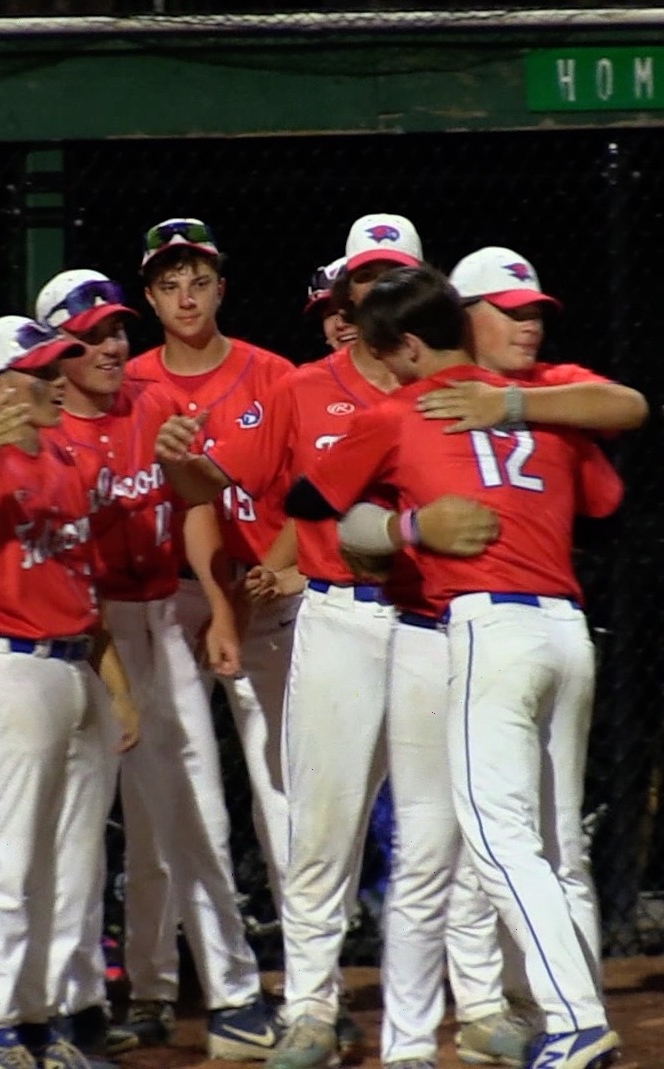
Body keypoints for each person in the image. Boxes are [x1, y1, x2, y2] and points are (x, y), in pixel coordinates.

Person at [153, 215, 507, 1069]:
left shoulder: (462, 389)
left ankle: (480, 1003)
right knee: (320, 821)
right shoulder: (302, 387)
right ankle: (310, 1008)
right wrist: (174, 460)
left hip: (433, 620)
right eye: (366, 276)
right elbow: (215, 480)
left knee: (445, 825)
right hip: (341, 619)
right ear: (346, 290)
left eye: (394, 274)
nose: (377, 289)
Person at [285, 264, 624, 1069]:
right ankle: (493, 1026)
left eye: (383, 350)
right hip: (563, 629)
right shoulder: (546, 404)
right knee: (537, 846)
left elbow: (307, 504)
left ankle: (570, 1019)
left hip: (481, 631)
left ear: (409, 346)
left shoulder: (400, 411)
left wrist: (401, 527)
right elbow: (605, 497)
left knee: (486, 842)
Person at [35, 270, 277, 1061]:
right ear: (56, 351)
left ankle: (233, 998)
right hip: (86, 636)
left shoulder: (155, 402)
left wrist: (220, 604)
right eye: (90, 337)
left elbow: (201, 498)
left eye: (114, 330)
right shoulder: (43, 430)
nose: (111, 346)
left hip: (165, 618)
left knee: (196, 812)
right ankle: (82, 1003)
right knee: (83, 832)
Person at [0, 315, 139, 1069]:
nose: (57, 381)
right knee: (3, 855)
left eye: (56, 367)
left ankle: (46, 1020)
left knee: (72, 866)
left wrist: (116, 686)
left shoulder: (66, 460)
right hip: (8, 668)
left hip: (75, 670)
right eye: (41, 371)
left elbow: (85, 589)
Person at [122, 221, 297, 1056]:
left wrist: (283, 569)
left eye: (197, 280)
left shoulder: (275, 374)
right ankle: (152, 986)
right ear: (149, 296)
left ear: (221, 286)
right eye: (168, 284)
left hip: (261, 593)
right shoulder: (125, 382)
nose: (185, 296)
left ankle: (308, 981)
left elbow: (310, 491)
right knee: (162, 801)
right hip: (168, 599)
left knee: (282, 794)